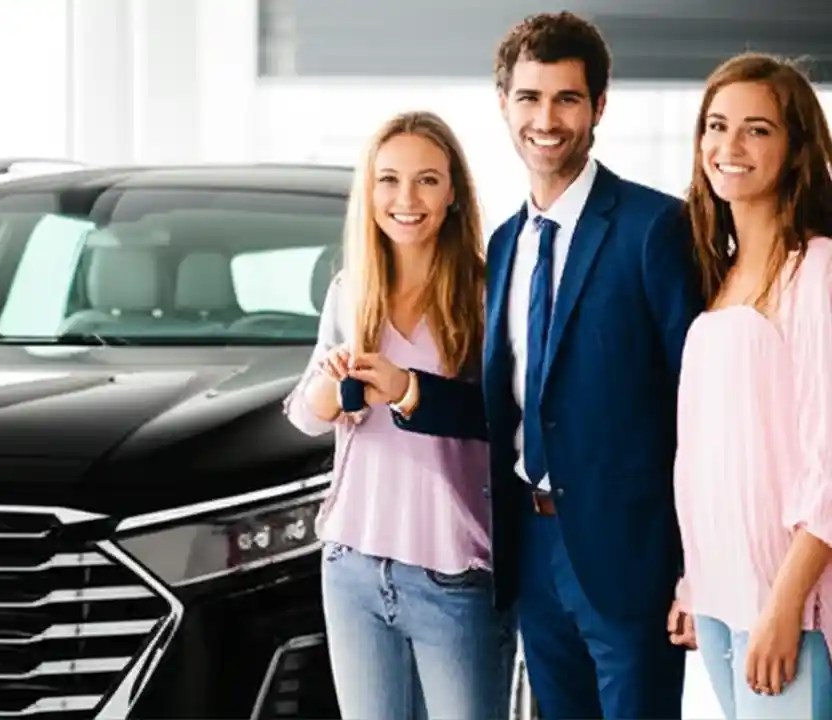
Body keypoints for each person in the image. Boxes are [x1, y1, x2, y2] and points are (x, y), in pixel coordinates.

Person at [380, 11, 704, 719]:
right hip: (530, 548)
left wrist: (693, 567)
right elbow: (515, 406)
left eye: (567, 98)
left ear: (598, 107)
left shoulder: (656, 227)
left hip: (629, 558)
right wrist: (410, 392)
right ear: (503, 104)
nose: (546, 119)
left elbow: (699, 407)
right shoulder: (503, 244)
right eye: (529, 98)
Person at [282, 110, 513, 720]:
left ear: (454, 193)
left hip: (455, 572)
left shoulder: (489, 295)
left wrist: (409, 388)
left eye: (426, 180)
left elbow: (507, 418)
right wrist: (332, 388)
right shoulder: (350, 291)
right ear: (370, 191)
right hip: (352, 566)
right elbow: (306, 416)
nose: (405, 199)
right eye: (389, 180)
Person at [668, 53, 832, 719]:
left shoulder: (817, 270)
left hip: (788, 602)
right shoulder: (720, 279)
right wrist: (692, 582)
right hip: (717, 598)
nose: (728, 147)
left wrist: (784, 605)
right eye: (716, 125)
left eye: (757, 130)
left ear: (795, 147)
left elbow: (829, 460)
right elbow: (711, 451)